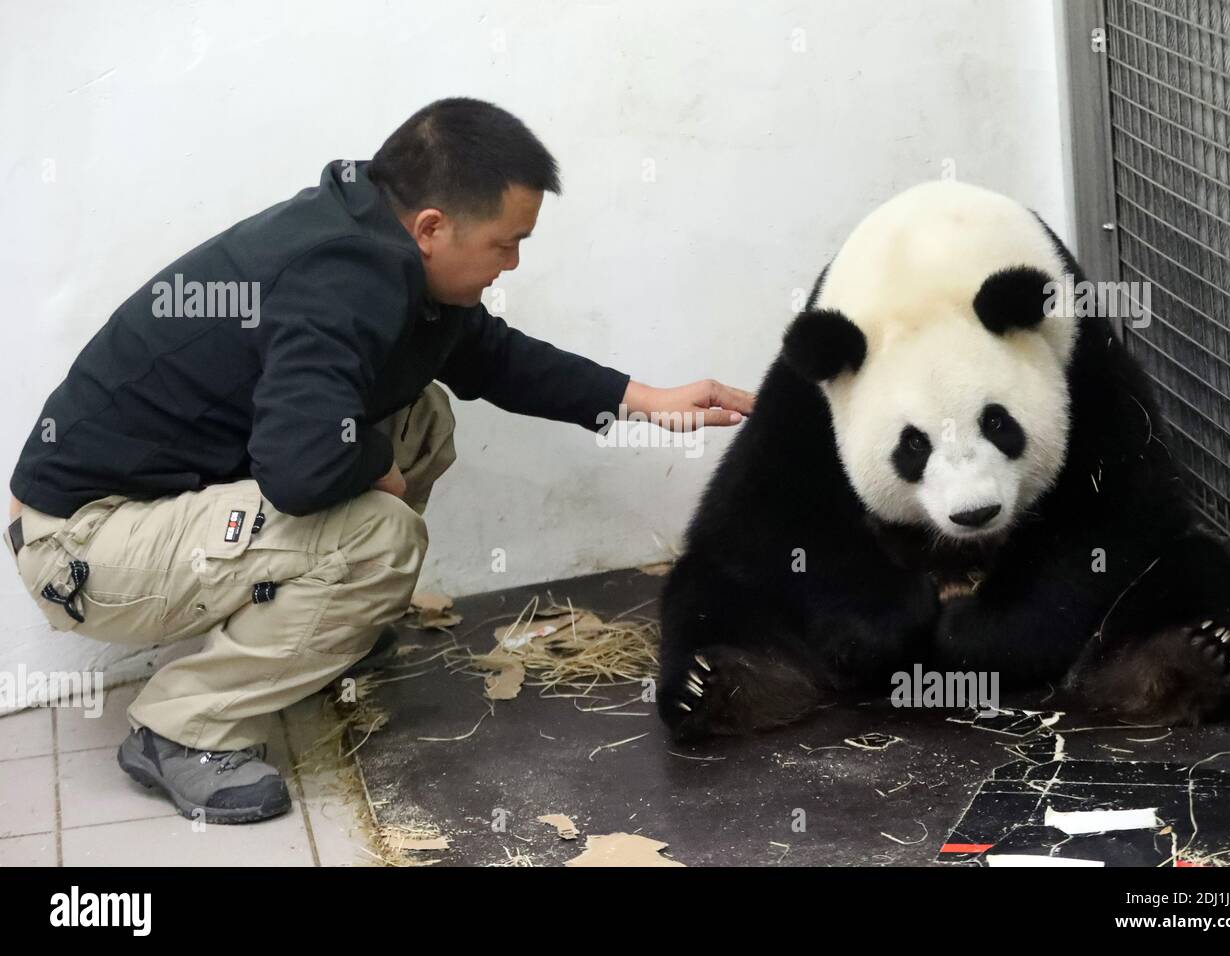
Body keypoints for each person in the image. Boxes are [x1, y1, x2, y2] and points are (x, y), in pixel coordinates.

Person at [4, 97, 753, 824]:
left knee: (421, 416)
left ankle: (314, 632)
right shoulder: (340, 278)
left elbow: (490, 357)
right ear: (432, 226)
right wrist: (373, 468)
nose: (514, 262)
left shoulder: (376, 237)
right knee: (379, 535)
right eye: (505, 242)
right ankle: (180, 728)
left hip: (156, 516)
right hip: (83, 546)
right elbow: (299, 468)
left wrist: (646, 399)